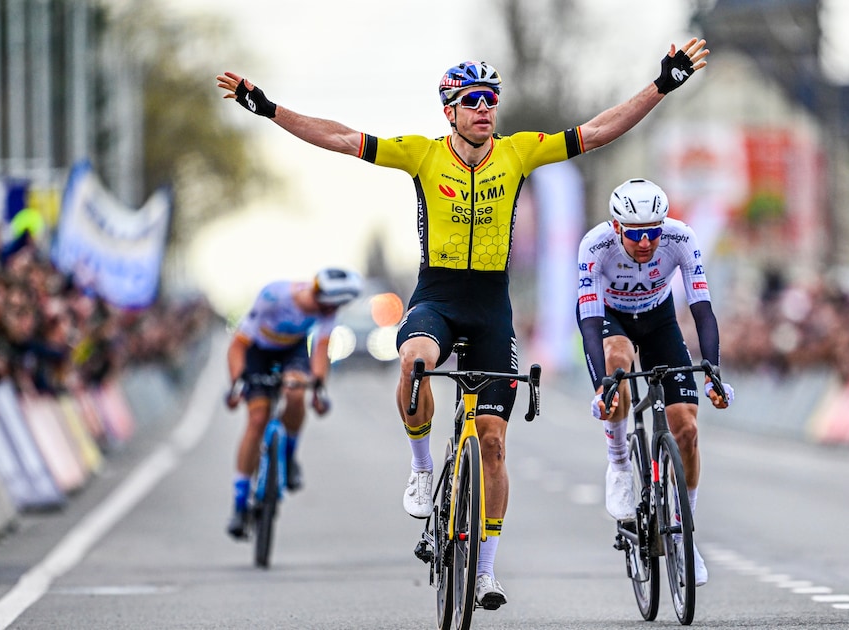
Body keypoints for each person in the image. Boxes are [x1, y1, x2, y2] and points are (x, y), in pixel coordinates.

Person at [217, 38, 709, 608]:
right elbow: (340, 138)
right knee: (415, 361)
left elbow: (597, 131)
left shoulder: (519, 153)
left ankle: (485, 572)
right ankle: (423, 468)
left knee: (494, 444)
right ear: (449, 111)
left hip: (492, 307)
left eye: (491, 100)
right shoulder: (422, 155)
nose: (485, 109)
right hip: (438, 298)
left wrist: (663, 84)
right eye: (472, 100)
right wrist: (270, 109)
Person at [576, 178, 733, 587]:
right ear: (616, 227)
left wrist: (712, 369)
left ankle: (685, 535)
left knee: (688, 429)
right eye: (635, 234)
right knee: (617, 361)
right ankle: (619, 463)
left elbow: (702, 309)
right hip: (613, 319)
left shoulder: (681, 238)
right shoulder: (595, 246)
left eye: (653, 232)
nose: (646, 243)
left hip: (659, 320)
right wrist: (601, 385)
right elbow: (590, 323)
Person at [223, 267, 362, 540]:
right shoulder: (274, 296)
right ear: (321, 296)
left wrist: (319, 387)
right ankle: (240, 502)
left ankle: (288, 455)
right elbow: (238, 345)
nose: (334, 310)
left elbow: (321, 348)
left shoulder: (326, 311)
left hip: (292, 351)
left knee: (296, 391)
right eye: (334, 304)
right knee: (257, 418)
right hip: (257, 351)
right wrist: (237, 383)